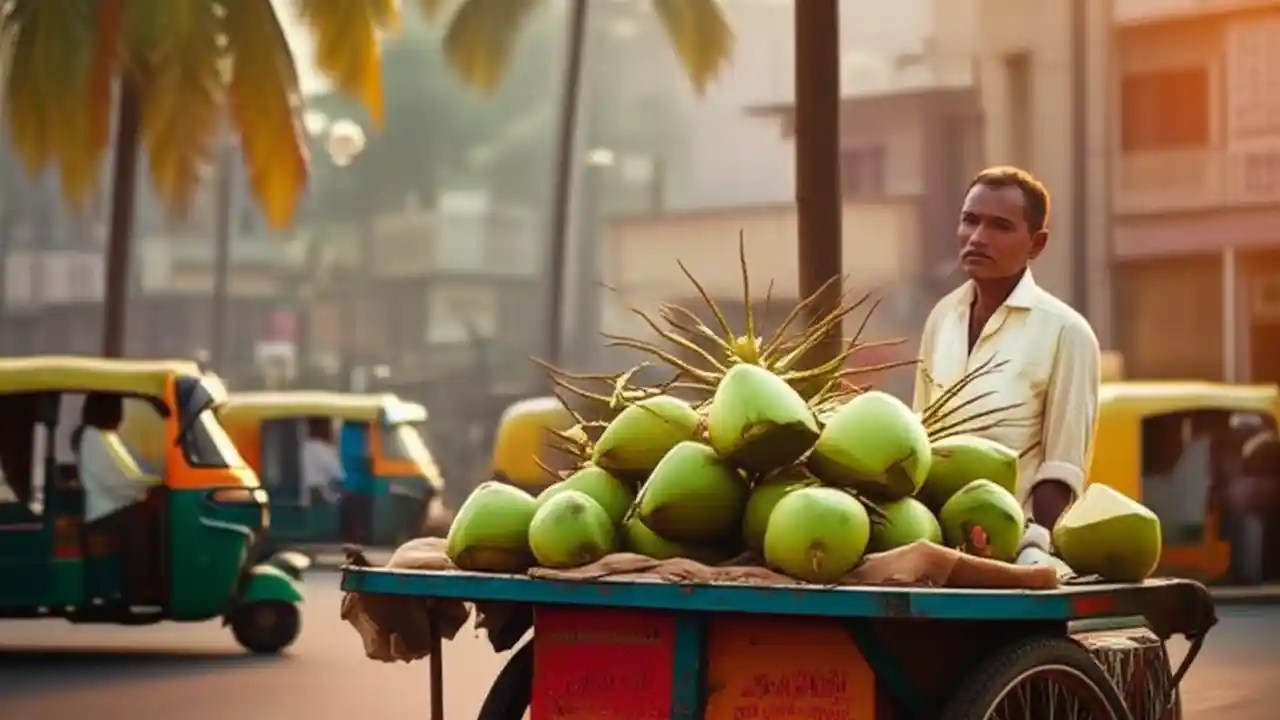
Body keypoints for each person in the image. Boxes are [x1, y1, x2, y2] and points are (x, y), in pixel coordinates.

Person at [913, 166, 1101, 554]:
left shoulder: (1067, 332)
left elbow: (1062, 471)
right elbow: (918, 442)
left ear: (1037, 244)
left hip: (1015, 547)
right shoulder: (942, 319)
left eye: (1000, 226)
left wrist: (1036, 550)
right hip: (935, 542)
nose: (978, 238)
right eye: (970, 220)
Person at [78, 393, 160, 524]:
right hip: (107, 514)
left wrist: (158, 479)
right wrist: (149, 489)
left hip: (120, 510)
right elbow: (116, 480)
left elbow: (139, 465)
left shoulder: (109, 437)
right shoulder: (93, 438)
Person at [301, 417, 343, 506]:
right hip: (319, 498)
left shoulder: (303, 446)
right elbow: (339, 474)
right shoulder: (322, 449)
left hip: (304, 495)